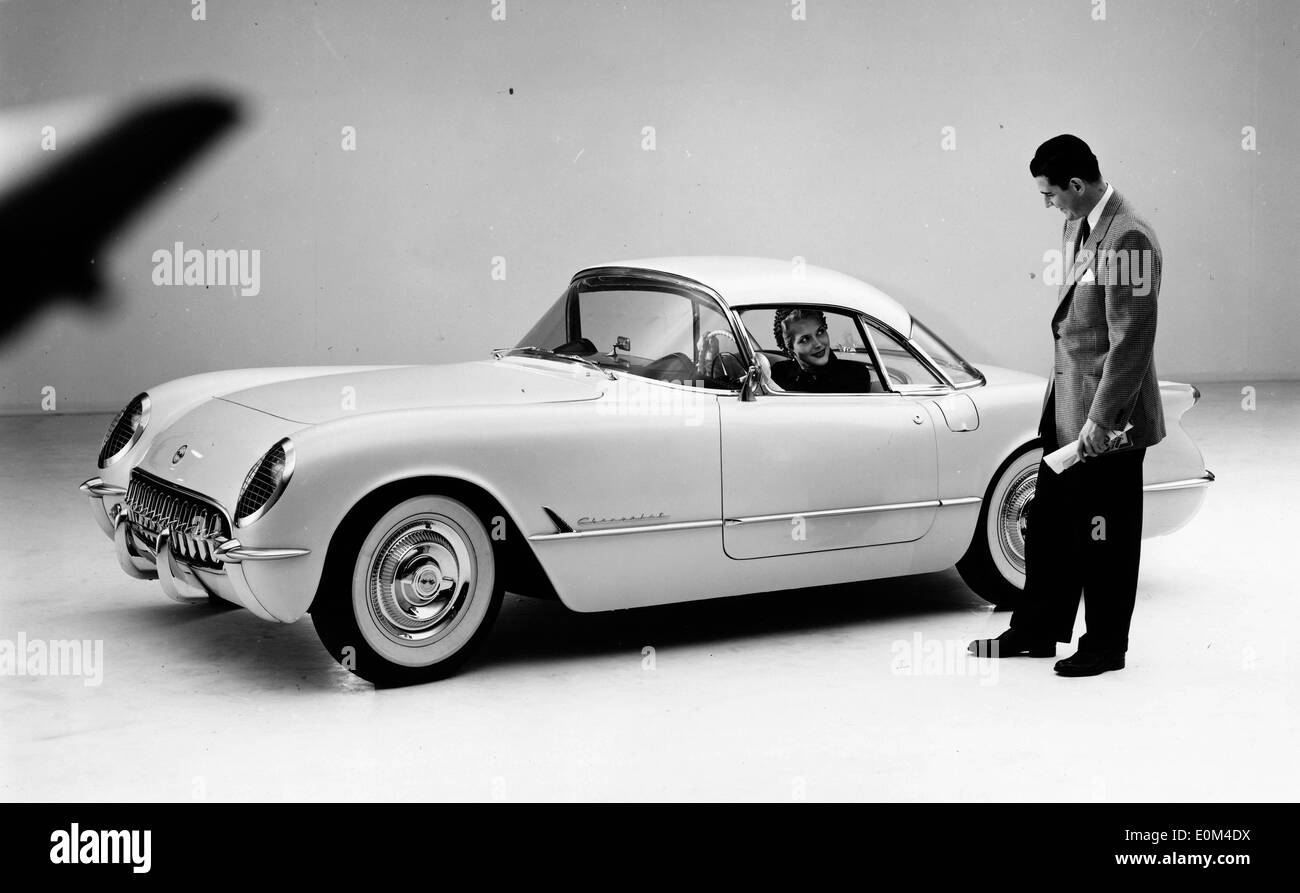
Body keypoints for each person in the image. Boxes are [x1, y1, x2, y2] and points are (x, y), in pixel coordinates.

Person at [969, 134, 1165, 677]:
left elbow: (1132, 344)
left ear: (1077, 185)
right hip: (1067, 398)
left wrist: (1103, 423)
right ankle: (1035, 630)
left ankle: (1105, 646)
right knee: (1051, 522)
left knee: (1104, 532)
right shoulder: (1076, 222)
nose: (1047, 204)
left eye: (1050, 193)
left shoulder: (1128, 238)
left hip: (1109, 414)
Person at [768, 308, 873, 393]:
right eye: (804, 339)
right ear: (789, 348)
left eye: (820, 332)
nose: (818, 344)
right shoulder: (779, 373)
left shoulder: (855, 374)